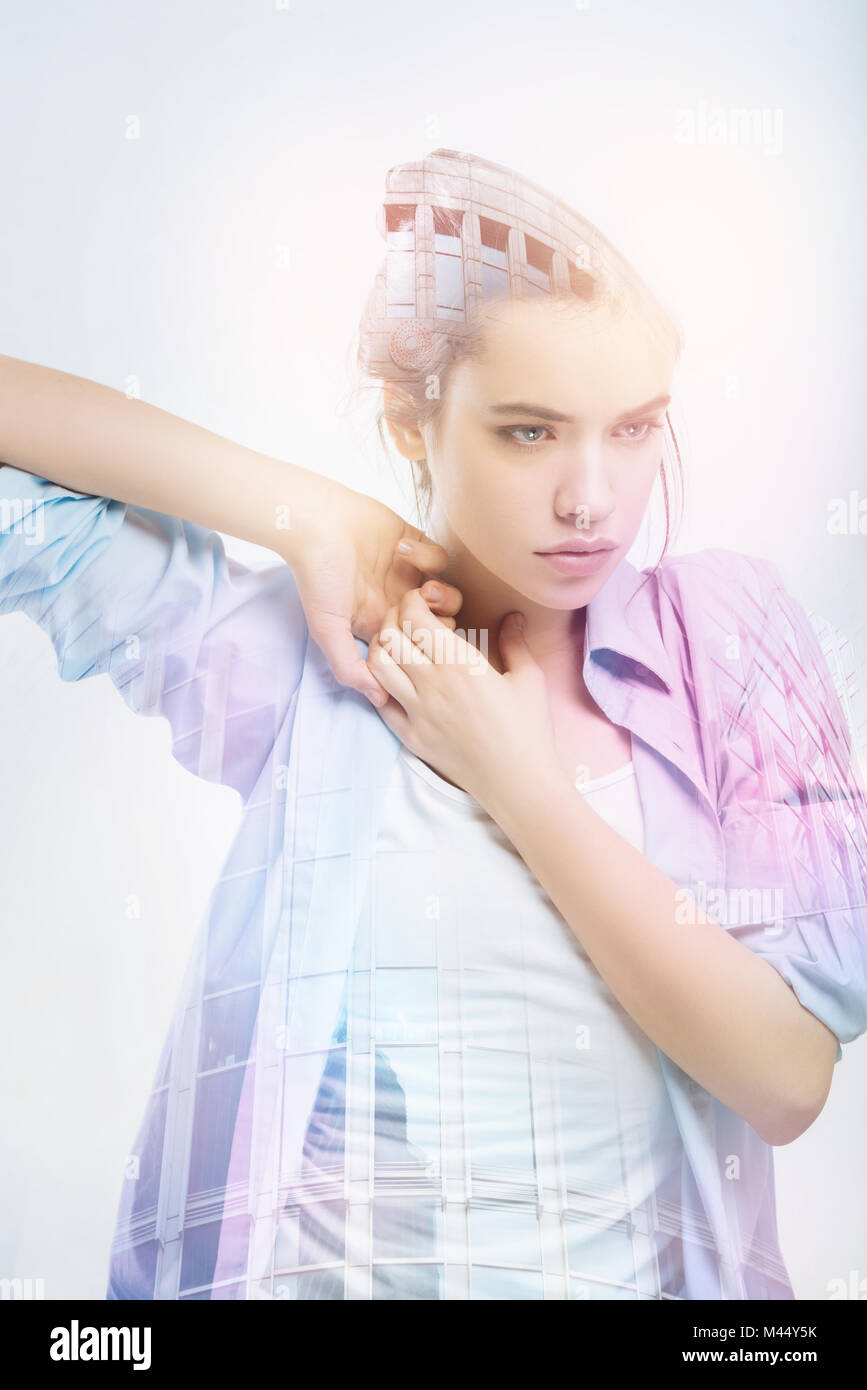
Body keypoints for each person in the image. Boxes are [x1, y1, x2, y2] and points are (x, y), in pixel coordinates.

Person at [1, 148, 865, 1300]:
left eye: (636, 428)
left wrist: (520, 782)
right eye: (529, 431)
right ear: (413, 422)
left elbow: (788, 1075)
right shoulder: (311, 658)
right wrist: (298, 507)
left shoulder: (729, 641)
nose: (591, 498)